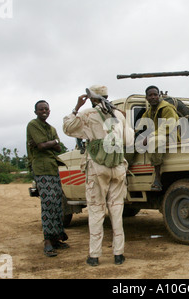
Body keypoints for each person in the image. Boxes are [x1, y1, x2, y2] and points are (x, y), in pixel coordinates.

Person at [63, 85, 128, 266]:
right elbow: (128, 140)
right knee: (116, 210)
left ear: (92, 98)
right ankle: (119, 254)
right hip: (118, 166)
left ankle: (94, 255)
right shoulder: (119, 115)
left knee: (96, 210)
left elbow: (68, 128)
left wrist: (76, 107)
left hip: (97, 168)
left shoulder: (87, 114)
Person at [27, 100, 69, 258]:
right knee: (48, 202)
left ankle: (57, 238)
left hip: (52, 166)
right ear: (36, 111)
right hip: (41, 168)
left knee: (58, 202)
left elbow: (58, 147)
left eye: (46, 108)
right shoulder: (33, 125)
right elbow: (41, 146)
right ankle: (48, 241)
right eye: (41, 109)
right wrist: (52, 142)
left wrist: (50, 143)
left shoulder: (51, 128)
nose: (44, 111)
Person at [137, 85, 179, 192]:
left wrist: (149, 136)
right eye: (150, 95)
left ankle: (157, 178)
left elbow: (168, 126)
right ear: (146, 98)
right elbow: (140, 127)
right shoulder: (149, 112)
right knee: (130, 143)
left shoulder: (167, 108)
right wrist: (134, 136)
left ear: (159, 96)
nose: (153, 97)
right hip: (158, 136)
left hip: (170, 137)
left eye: (155, 95)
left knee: (155, 141)